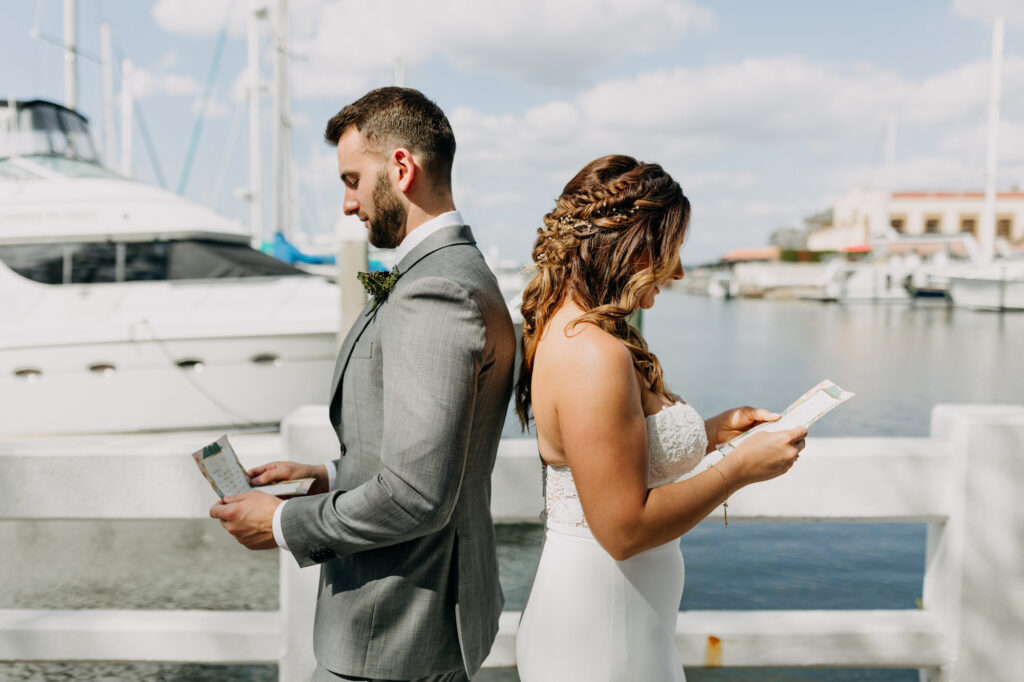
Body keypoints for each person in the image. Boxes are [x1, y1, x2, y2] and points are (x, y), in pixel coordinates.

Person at [210, 87, 516, 682]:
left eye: (352, 179)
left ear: (401, 168)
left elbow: (417, 496)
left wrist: (279, 524)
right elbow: (434, 456)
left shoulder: (436, 291)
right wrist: (324, 474)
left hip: (395, 632)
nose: (349, 204)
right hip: (418, 629)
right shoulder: (456, 273)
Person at [513, 155, 807, 681]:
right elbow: (624, 529)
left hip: (620, 622)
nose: (678, 272)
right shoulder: (593, 354)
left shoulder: (575, 329)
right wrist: (738, 469)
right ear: (635, 246)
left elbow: (617, 452)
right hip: (601, 633)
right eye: (671, 251)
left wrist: (715, 431)